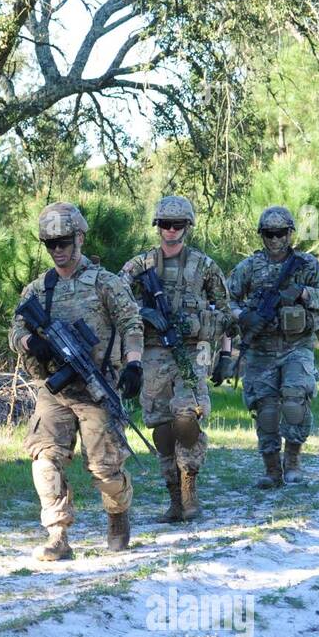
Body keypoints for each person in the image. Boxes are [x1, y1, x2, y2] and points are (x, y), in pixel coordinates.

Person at [10, 202, 144, 561]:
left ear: (80, 238)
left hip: (96, 386)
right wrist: (29, 343)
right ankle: (57, 534)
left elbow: (132, 324)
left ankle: (117, 514)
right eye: (50, 243)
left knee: (105, 466)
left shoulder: (106, 283)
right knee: (44, 458)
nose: (58, 249)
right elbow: (16, 329)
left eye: (64, 241)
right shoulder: (38, 290)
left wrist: (133, 364)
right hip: (54, 389)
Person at [118, 195, 233, 523]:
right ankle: (173, 499)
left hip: (192, 352)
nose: (170, 231)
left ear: (187, 227)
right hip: (152, 353)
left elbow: (226, 313)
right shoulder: (139, 266)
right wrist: (144, 319)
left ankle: (189, 487)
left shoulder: (204, 266)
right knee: (161, 428)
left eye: (177, 225)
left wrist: (224, 353)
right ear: (157, 227)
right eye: (165, 224)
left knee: (186, 418)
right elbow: (116, 302)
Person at [227, 205, 319, 487]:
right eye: (268, 234)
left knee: (294, 399)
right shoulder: (248, 267)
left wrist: (302, 293)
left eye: (280, 234)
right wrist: (243, 316)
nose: (275, 240)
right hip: (260, 349)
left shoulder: (307, 265)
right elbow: (225, 299)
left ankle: (293, 461)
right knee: (265, 409)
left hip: (296, 345)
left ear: (290, 234)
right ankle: (271, 469)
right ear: (261, 235)